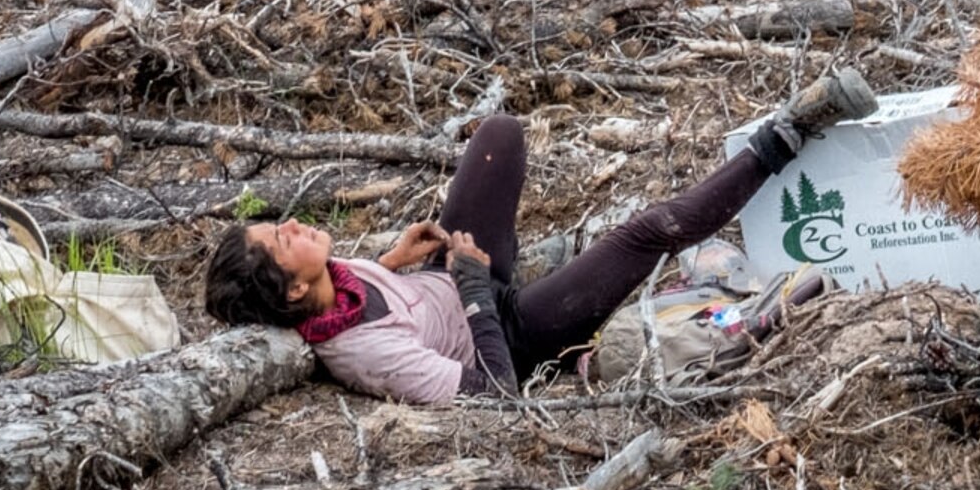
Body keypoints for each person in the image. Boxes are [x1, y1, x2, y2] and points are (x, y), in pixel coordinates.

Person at [201, 69, 875, 403]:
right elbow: (492, 396)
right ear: (292, 288)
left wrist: (395, 263)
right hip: (512, 337)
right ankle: (784, 135)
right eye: (282, 237)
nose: (292, 224)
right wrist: (469, 287)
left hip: (466, 280)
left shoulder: (336, 286)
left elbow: (381, 299)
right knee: (645, 234)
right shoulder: (365, 356)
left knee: (498, 136)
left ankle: (660, 282)